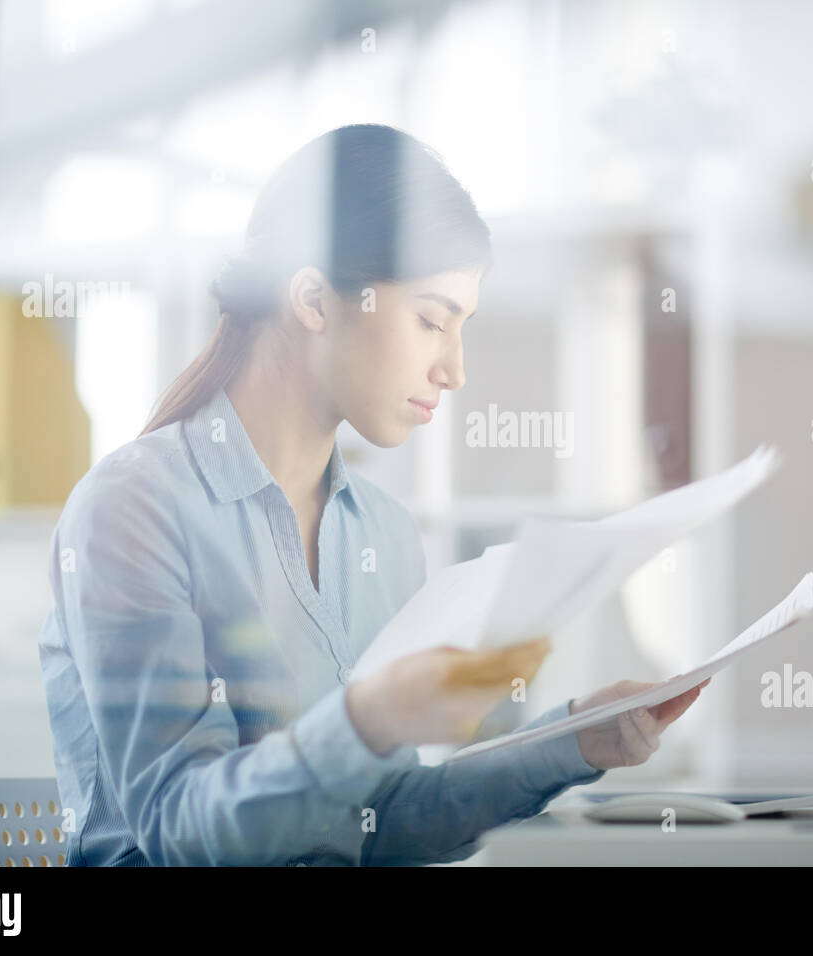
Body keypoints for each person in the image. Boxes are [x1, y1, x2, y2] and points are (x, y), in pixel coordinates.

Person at [37, 123, 706, 866]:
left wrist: (571, 742)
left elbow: (381, 825)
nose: (455, 369)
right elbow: (181, 832)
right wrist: (366, 718)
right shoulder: (133, 510)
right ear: (315, 300)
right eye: (430, 320)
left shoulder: (382, 534)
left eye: (463, 327)